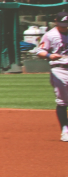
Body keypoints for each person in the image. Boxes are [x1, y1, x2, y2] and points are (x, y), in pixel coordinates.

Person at [31, 12, 68, 142]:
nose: (64, 27)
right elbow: (39, 50)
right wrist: (49, 56)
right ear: (56, 21)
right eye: (62, 24)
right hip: (59, 70)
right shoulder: (50, 35)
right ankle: (65, 130)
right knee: (62, 102)